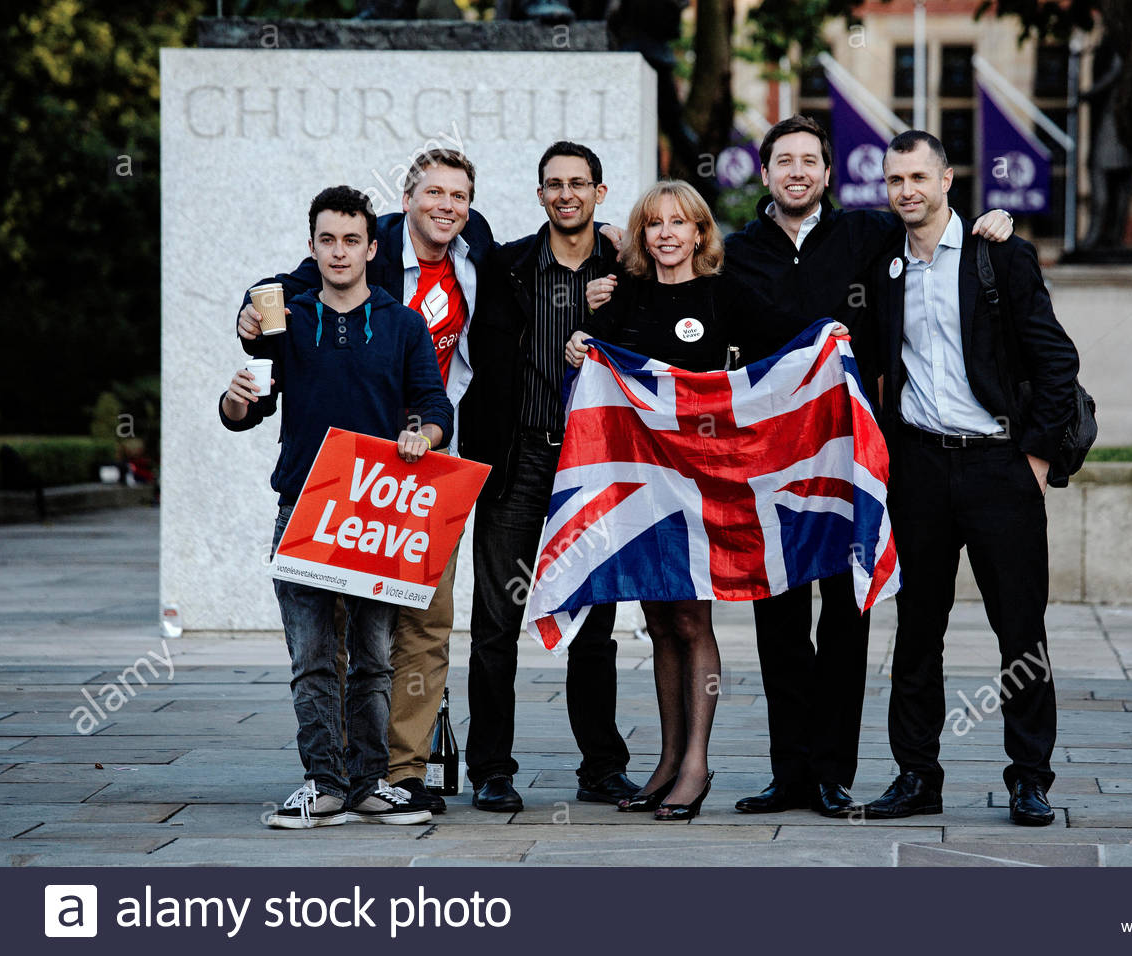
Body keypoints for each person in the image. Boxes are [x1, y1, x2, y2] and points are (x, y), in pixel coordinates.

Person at [715, 115, 1015, 817]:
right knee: (779, 619)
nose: (796, 172)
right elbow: (677, 296)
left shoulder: (866, 236)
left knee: (846, 618)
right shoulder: (736, 253)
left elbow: (934, 229)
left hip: (851, 461)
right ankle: (786, 770)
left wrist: (991, 223)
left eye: (809, 161)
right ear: (764, 175)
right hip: (769, 468)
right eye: (783, 161)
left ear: (826, 174)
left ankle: (830, 772)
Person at [570, 180, 845, 820]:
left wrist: (831, 338)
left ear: (699, 233)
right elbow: (593, 357)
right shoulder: (626, 299)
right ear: (642, 236)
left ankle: (697, 762)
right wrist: (579, 345)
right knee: (661, 620)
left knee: (693, 622)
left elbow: (789, 344)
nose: (666, 234)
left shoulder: (726, 295)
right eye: (654, 224)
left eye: (679, 223)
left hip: (703, 489)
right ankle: (666, 760)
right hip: (644, 489)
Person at [237, 149, 491, 814]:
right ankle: (327, 780)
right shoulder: (300, 312)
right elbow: (253, 387)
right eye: (329, 240)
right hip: (313, 499)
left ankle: (388, 777)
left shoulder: (455, 277)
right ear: (402, 203)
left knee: (395, 644)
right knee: (319, 652)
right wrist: (240, 376)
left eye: (458, 195)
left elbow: (435, 404)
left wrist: (428, 435)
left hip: (400, 492)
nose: (446, 205)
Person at [861, 131, 1079, 826]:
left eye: (918, 176)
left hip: (998, 465)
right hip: (920, 466)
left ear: (947, 178)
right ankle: (917, 776)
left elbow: (1056, 362)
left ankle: (1029, 778)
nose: (906, 191)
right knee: (917, 630)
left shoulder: (999, 254)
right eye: (896, 179)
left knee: (1020, 631)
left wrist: (1036, 462)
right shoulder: (881, 261)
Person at [454, 142, 638, 812]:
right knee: (496, 621)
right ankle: (491, 768)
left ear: (600, 191)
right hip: (519, 461)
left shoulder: (627, 266)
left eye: (578, 183)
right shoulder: (502, 266)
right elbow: (410, 234)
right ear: (539, 195)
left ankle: (601, 768)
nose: (566, 194)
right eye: (554, 184)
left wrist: (605, 312)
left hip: (594, 465)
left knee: (594, 622)